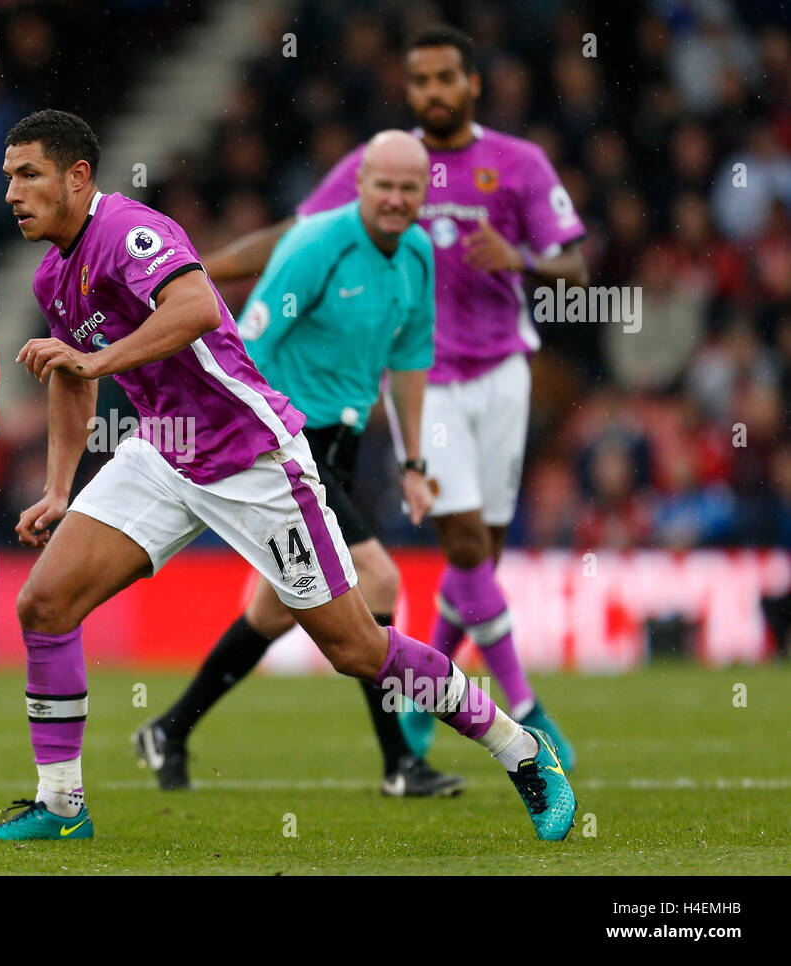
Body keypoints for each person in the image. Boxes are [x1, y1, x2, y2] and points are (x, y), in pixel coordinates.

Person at [0, 109, 575, 843]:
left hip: (253, 456)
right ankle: (60, 808)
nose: (12, 193)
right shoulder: (55, 273)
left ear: (78, 176)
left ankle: (519, 748)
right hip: (165, 451)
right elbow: (71, 379)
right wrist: (60, 487)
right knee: (46, 604)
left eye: (28, 175)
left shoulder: (128, 230)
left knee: (355, 647)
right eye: (7, 178)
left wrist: (97, 359)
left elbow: (191, 305)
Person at [202, 26, 589, 769]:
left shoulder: (519, 164)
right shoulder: (378, 161)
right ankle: (528, 707)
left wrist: (524, 259)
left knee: (481, 561)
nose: (435, 92)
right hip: (426, 378)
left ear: (473, 84)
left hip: (505, 373)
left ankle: (422, 693)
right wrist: (200, 268)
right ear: (408, 90)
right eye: (422, 81)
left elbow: (575, 265)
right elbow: (295, 232)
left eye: (448, 78)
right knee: (466, 543)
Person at [134, 131, 464, 799]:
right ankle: (400, 761)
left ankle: (169, 730)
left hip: (341, 445)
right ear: (360, 183)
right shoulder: (316, 245)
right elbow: (244, 343)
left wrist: (413, 461)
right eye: (385, 185)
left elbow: (409, 360)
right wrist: (250, 441)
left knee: (274, 610)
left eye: (411, 188)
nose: (397, 199)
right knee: (377, 579)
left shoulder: (420, 257)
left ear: (426, 194)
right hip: (286, 439)